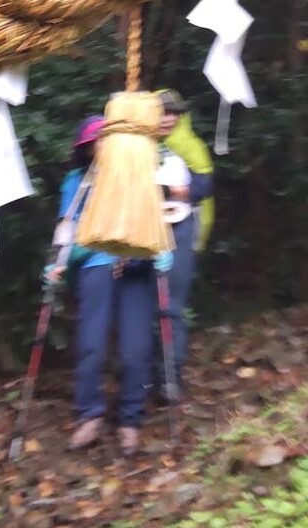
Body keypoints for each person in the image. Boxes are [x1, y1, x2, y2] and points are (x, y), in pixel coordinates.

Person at [47, 115, 163, 456]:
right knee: (91, 343)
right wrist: (56, 260)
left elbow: (157, 218)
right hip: (95, 264)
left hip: (137, 265)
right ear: (87, 150)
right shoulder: (76, 181)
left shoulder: (138, 177)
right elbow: (66, 226)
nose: (101, 149)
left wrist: (160, 251)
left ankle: (130, 420)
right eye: (94, 144)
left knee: (135, 347)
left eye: (105, 142)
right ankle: (90, 415)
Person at [155, 89, 214, 395]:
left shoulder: (192, 147)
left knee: (172, 304)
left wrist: (182, 191)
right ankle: (143, 374)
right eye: (161, 112)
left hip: (181, 229)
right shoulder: (140, 147)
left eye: (173, 112)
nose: (167, 118)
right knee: (142, 303)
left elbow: (204, 186)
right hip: (145, 230)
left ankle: (170, 376)